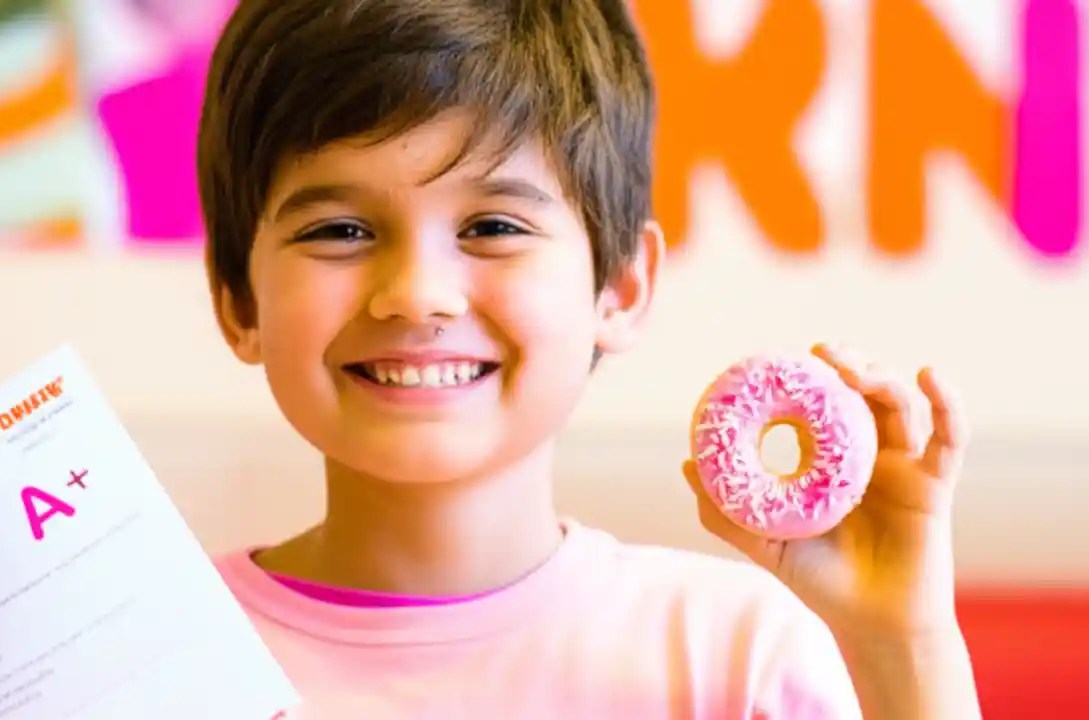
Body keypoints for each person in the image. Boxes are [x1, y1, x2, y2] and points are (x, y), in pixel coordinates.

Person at [197, 1, 982, 717]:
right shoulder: (144, 647)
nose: (416, 294)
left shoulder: (735, 654)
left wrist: (902, 647)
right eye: (339, 231)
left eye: (494, 227)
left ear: (622, 284)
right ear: (239, 298)